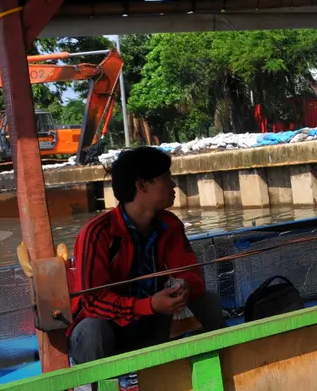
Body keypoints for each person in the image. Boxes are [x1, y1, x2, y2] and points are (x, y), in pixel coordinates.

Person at [68, 147, 224, 371]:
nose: (173, 185)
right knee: (94, 329)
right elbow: (93, 302)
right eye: (165, 178)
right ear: (141, 185)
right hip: (109, 330)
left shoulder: (169, 225)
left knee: (208, 301)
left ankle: (220, 374)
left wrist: (186, 286)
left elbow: (191, 273)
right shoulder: (97, 234)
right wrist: (148, 305)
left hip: (153, 320)